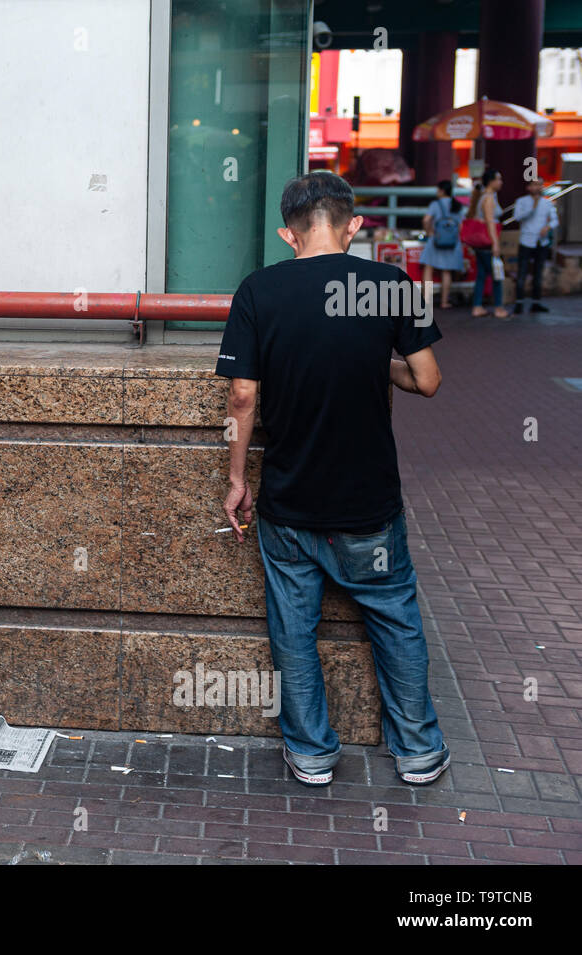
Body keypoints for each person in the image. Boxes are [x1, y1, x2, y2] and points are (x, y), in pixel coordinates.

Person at [215, 171, 450, 788]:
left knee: (294, 629)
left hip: (290, 503)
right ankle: (419, 752)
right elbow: (427, 380)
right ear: (354, 226)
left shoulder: (259, 291)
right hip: (369, 504)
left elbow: (242, 395)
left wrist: (237, 478)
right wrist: (380, 366)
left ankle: (314, 754)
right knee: (396, 620)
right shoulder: (392, 286)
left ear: (286, 235)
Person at [512, 175, 558, 314]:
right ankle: (519, 303)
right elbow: (518, 217)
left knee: (538, 273)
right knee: (522, 273)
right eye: (535, 184)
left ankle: (536, 303)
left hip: (541, 242)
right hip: (526, 241)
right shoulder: (521, 202)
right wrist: (532, 207)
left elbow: (555, 220)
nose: (537, 187)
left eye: (540, 185)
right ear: (528, 187)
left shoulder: (548, 203)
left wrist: (548, 227)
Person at [419, 179, 464, 309]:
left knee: (428, 268)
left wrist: (430, 232)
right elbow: (460, 226)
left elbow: (426, 220)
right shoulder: (457, 205)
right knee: (446, 272)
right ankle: (444, 302)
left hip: (436, 240)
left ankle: (426, 302)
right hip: (452, 242)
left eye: (438, 190)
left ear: (442, 190)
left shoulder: (435, 204)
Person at [470, 168, 508, 319]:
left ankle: (477, 306)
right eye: (499, 179)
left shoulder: (483, 197)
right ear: (491, 181)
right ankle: (498, 307)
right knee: (497, 275)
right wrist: (495, 243)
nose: (501, 182)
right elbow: (490, 222)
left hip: (481, 243)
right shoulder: (489, 198)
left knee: (481, 275)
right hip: (488, 242)